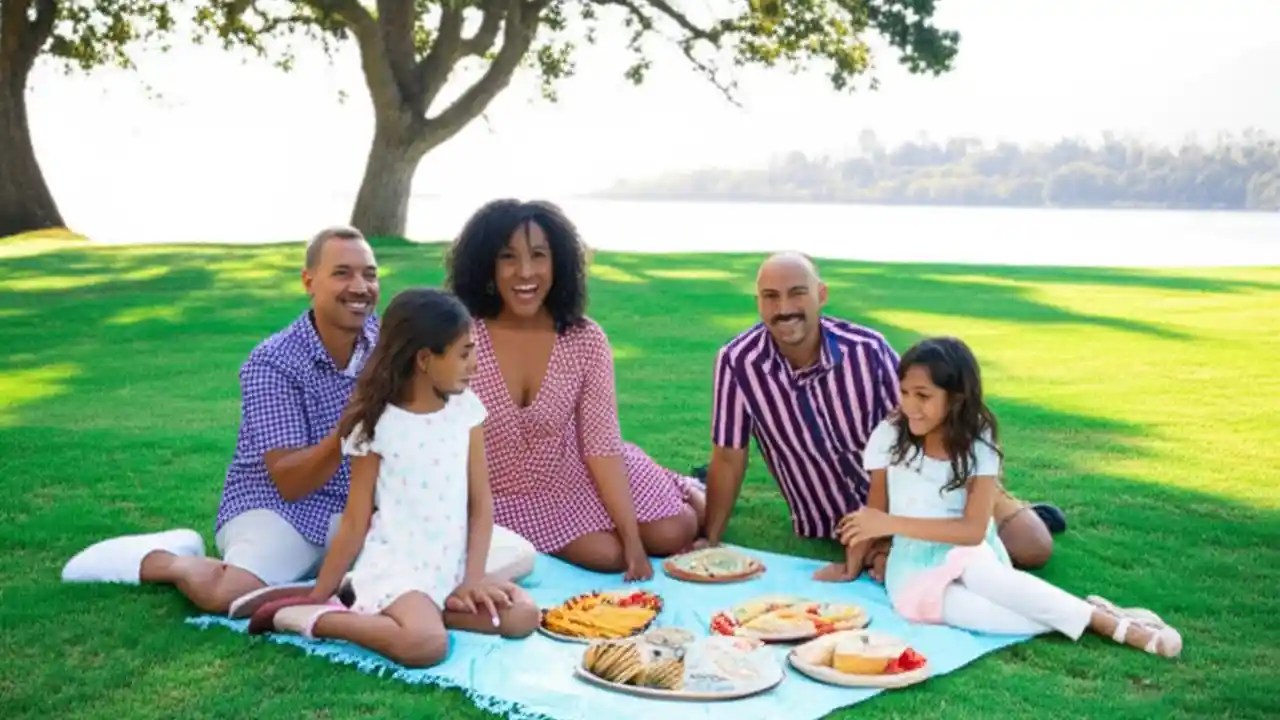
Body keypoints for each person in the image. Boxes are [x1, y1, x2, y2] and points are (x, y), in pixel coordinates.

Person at [60, 226, 535, 615]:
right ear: (310, 282)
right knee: (233, 596)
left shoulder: (390, 343)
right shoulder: (272, 363)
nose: (360, 287)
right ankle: (168, 559)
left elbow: (443, 409)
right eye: (342, 273)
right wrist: (350, 426)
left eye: (370, 274)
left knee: (515, 554)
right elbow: (289, 481)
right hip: (280, 509)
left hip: (365, 512)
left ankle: (358, 583)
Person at [701, 252, 1063, 581]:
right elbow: (729, 456)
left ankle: (996, 504)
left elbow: (927, 422)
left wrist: (971, 494)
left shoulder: (867, 349)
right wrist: (710, 539)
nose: (784, 308)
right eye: (771, 296)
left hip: (918, 493)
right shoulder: (737, 362)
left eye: (797, 293)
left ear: (821, 295)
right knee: (901, 565)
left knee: (1032, 546)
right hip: (834, 516)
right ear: (758, 302)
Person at [247, 289, 539, 667]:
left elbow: (481, 503)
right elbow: (355, 521)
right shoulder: (375, 427)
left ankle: (428, 613)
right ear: (424, 359)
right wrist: (319, 593)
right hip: (399, 573)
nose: (476, 366)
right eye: (464, 354)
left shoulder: (465, 410)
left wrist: (474, 579)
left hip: (451, 569)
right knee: (427, 646)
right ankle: (325, 619)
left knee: (522, 616)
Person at [837, 337, 1181, 657]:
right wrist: (850, 567)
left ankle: (1116, 627)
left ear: (956, 398)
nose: (909, 405)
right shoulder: (890, 434)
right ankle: (1092, 614)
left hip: (969, 550)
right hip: (912, 566)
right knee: (989, 616)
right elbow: (873, 512)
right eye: (904, 392)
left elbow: (972, 531)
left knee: (983, 576)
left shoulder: (978, 442)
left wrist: (888, 523)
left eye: (923, 396)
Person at [445, 199, 703, 582]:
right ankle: (681, 489)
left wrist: (635, 544)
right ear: (487, 264)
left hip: (572, 475)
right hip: (493, 497)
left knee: (673, 533)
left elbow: (600, 444)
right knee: (607, 556)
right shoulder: (461, 335)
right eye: (508, 257)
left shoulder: (584, 338)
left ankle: (692, 489)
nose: (526, 272)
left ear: (559, 262)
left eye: (539, 255)